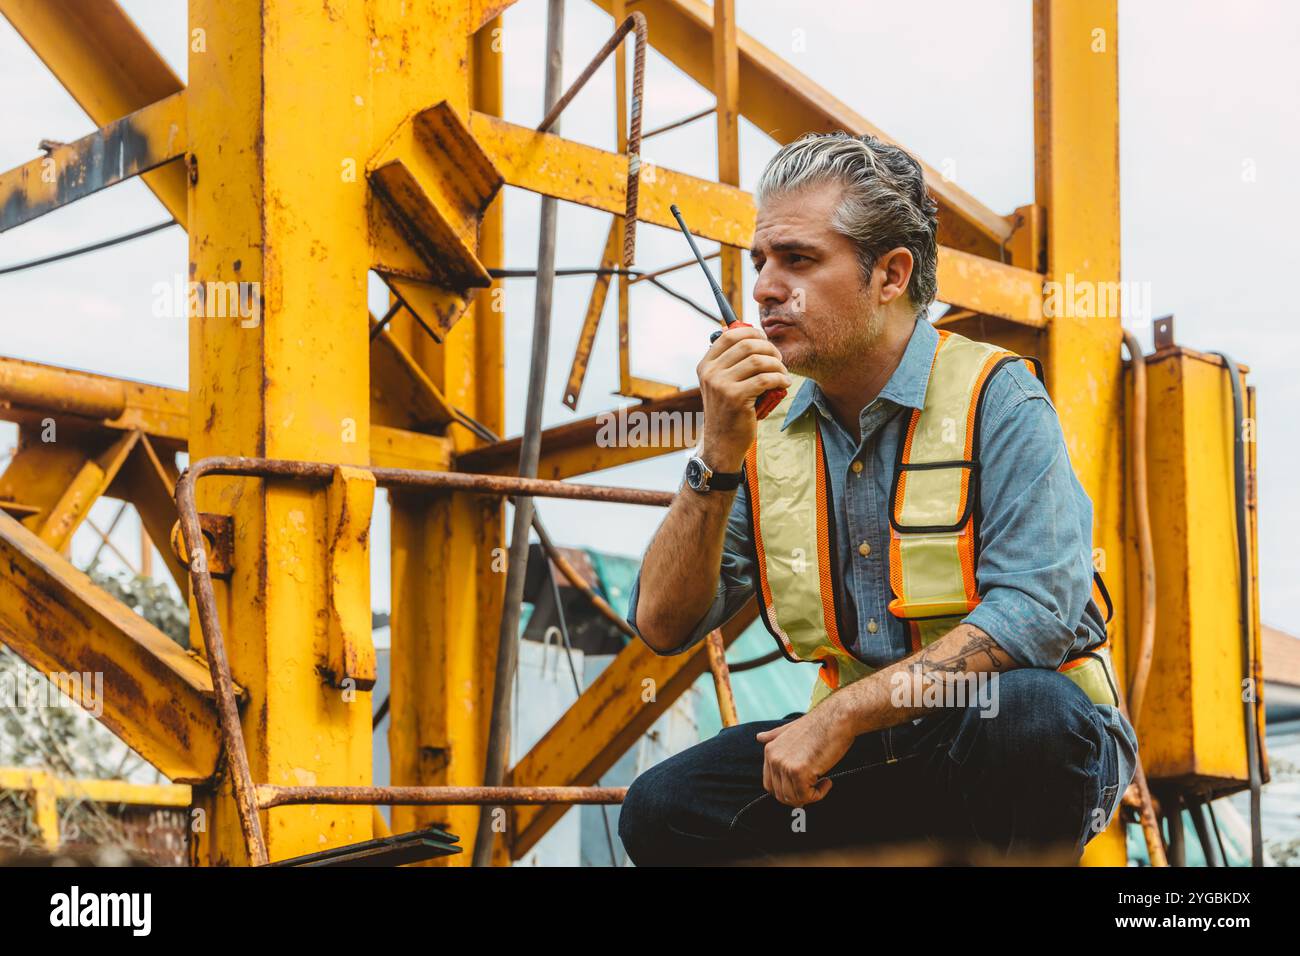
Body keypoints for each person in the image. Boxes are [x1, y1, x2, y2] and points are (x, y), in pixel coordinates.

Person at [618, 131, 1138, 866]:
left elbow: (1037, 612)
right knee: (665, 809)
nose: (765, 286)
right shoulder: (759, 427)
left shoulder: (998, 395)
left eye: (797, 260)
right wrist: (717, 455)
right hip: (869, 754)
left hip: (998, 742)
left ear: (891, 274)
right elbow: (663, 625)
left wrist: (841, 714)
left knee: (1031, 717)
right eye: (760, 260)